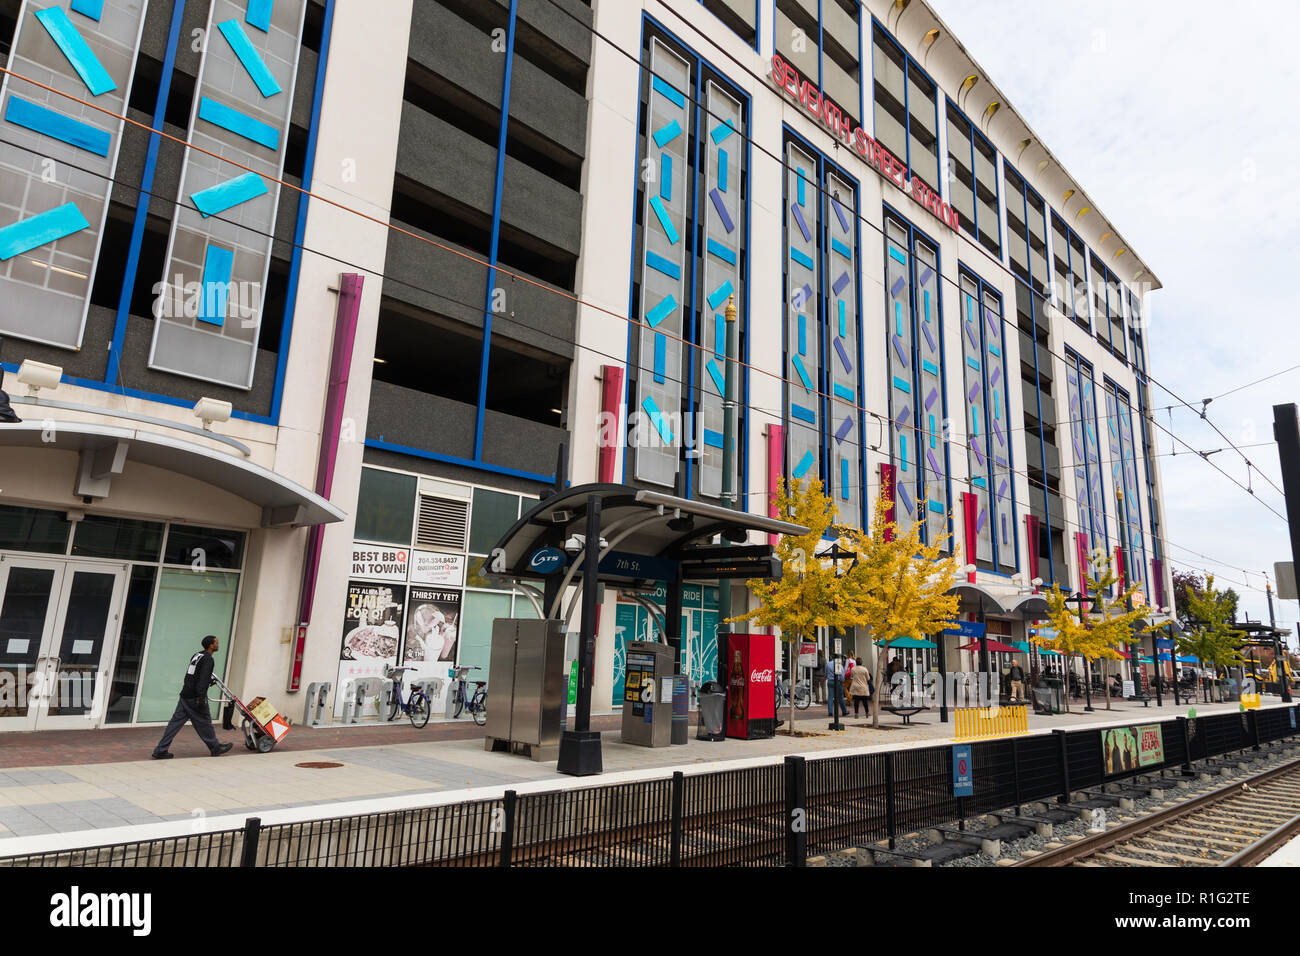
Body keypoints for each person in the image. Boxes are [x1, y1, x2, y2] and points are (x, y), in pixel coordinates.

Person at [152, 635, 233, 758]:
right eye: (216, 643)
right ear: (211, 645)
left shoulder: (197, 655)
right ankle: (215, 748)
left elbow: (191, 675)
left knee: (174, 724)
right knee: (205, 722)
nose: (217, 645)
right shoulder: (208, 659)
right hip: (195, 698)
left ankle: (160, 750)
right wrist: (201, 698)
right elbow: (202, 679)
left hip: (185, 695)